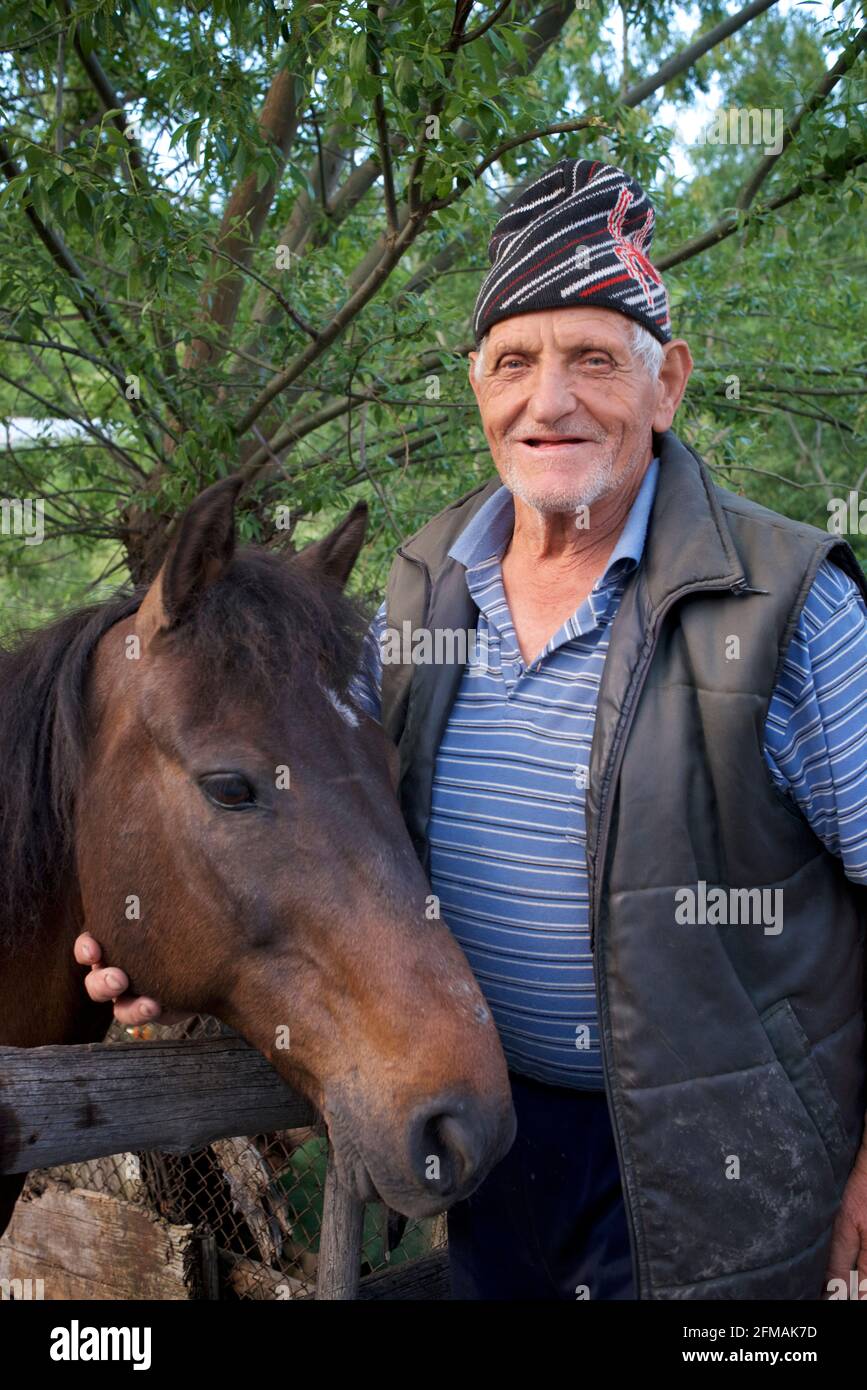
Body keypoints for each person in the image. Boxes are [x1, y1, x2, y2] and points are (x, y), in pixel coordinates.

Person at [76, 158, 867, 1300]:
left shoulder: (793, 607)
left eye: (594, 358)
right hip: (489, 1141)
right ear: (477, 387)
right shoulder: (420, 594)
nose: (549, 401)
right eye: (516, 361)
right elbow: (317, 847)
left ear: (670, 384)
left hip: (718, 1184)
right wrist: (164, 942)